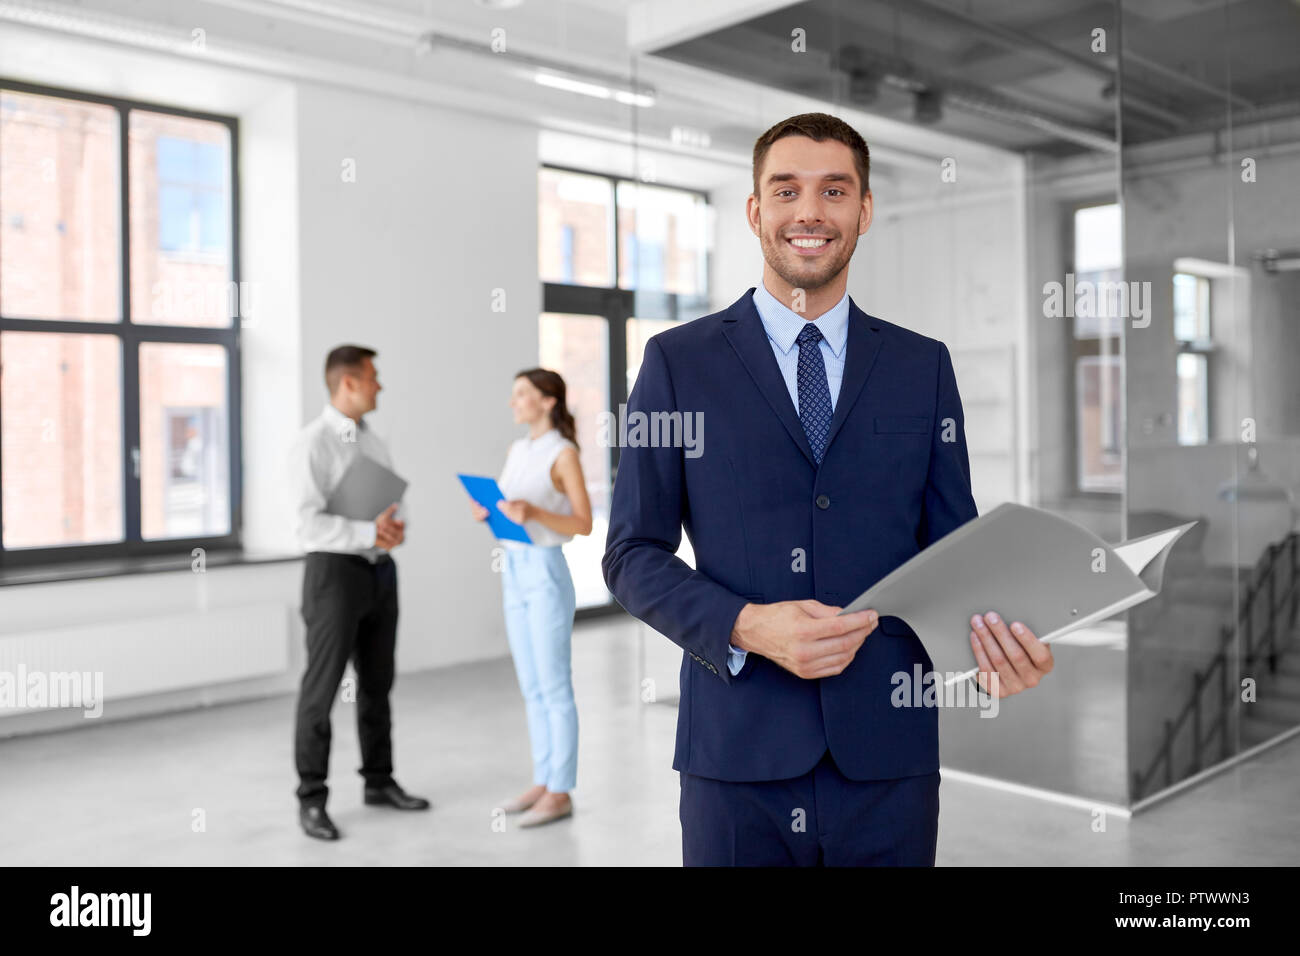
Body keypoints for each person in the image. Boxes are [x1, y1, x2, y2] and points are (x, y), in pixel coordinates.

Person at [602, 113, 1055, 866]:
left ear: (864, 211)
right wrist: (746, 625)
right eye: (786, 190)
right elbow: (630, 553)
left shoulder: (922, 367)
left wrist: (996, 648)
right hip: (735, 761)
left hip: (888, 759)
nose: (809, 212)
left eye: (834, 191)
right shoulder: (678, 363)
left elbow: (954, 556)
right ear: (755, 211)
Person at [288, 345, 430, 841]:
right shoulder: (313, 442)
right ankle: (311, 799)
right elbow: (308, 524)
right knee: (321, 690)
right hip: (334, 576)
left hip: (379, 573)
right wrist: (369, 533)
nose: (380, 386)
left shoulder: (373, 441)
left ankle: (378, 781)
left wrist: (391, 530)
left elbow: (393, 504)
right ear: (348, 383)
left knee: (377, 683)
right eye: (373, 378)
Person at [470, 369, 592, 828]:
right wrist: (492, 513)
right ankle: (544, 778)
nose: (513, 402)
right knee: (532, 685)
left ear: (546, 401)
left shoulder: (563, 454)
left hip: (544, 572)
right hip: (513, 569)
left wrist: (536, 512)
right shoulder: (518, 450)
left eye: (521, 394)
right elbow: (513, 512)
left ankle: (561, 791)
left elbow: (583, 523)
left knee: (555, 685)